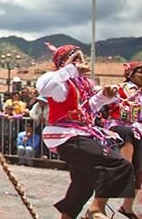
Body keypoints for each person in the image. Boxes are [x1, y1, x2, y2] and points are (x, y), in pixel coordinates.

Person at [37, 45, 134, 219]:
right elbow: (43, 88)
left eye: (81, 59)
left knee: (84, 183)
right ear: (63, 63)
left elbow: (88, 109)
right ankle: (96, 210)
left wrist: (104, 95)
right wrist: (70, 70)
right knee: (118, 163)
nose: (80, 63)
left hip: (80, 134)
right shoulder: (60, 82)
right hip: (66, 136)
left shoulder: (82, 85)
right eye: (75, 59)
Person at [100, 63, 142, 219]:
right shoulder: (119, 88)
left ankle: (127, 207)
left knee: (140, 169)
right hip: (120, 129)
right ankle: (98, 207)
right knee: (123, 168)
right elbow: (103, 100)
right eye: (140, 72)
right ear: (130, 74)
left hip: (138, 131)